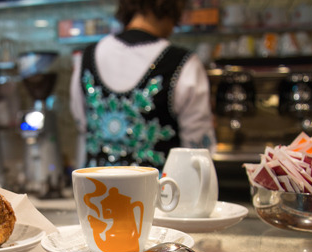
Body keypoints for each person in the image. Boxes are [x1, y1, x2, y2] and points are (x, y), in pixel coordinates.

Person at [70, 0, 216, 169]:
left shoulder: (87, 57)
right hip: (161, 194)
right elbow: (198, 154)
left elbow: (82, 125)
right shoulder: (185, 64)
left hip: (95, 193)